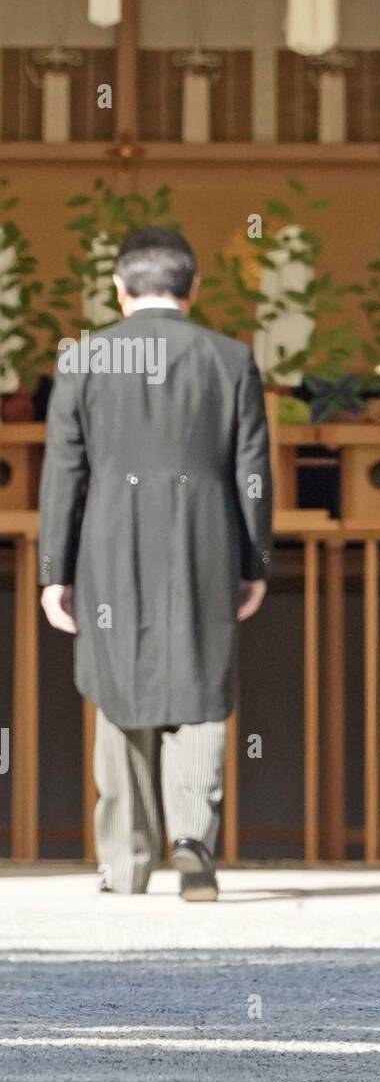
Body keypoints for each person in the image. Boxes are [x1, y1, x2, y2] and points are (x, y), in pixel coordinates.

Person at [38, 226, 273, 902]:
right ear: (193, 288)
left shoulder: (83, 360)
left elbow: (64, 474)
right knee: (201, 686)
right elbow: (251, 471)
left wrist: (57, 569)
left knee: (117, 685)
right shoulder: (229, 359)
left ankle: (126, 861)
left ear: (119, 288)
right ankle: (193, 840)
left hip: (107, 541)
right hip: (204, 538)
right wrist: (255, 559)